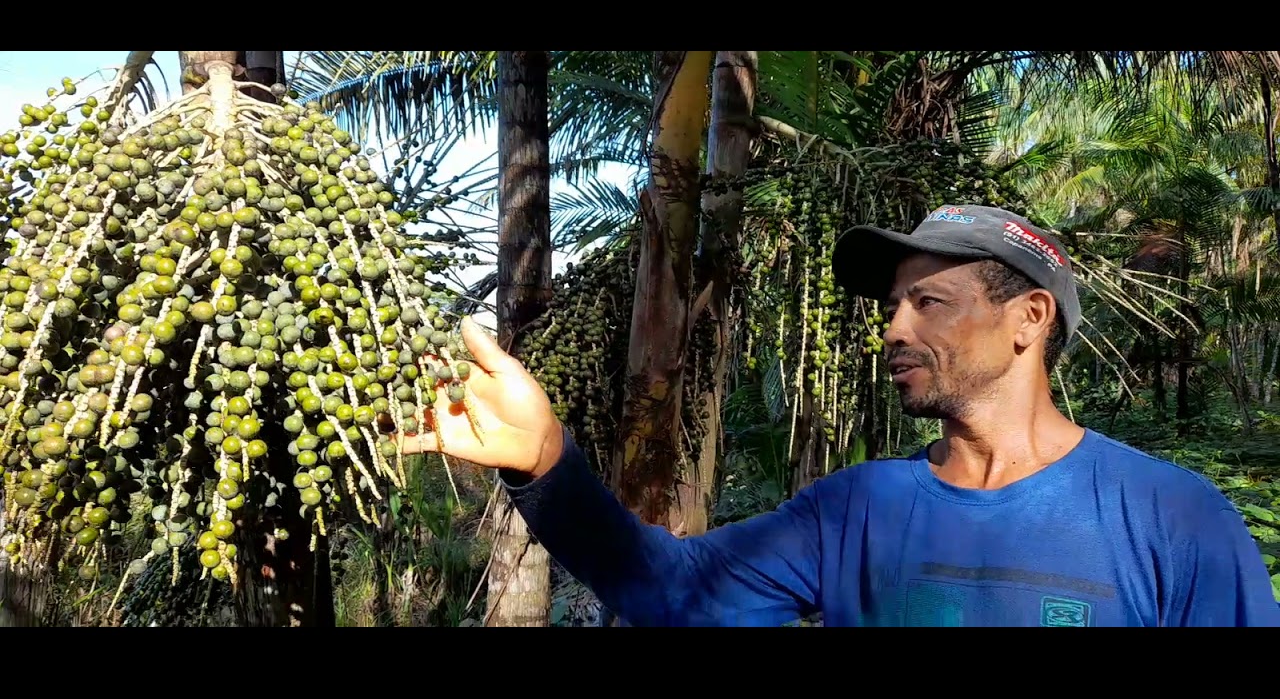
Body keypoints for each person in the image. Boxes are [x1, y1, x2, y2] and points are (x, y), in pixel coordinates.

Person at [400, 204, 1280, 627]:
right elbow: (669, 589)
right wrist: (546, 462)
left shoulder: (1175, 521)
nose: (893, 329)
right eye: (893, 307)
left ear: (1029, 320)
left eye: (928, 303)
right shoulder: (859, 509)